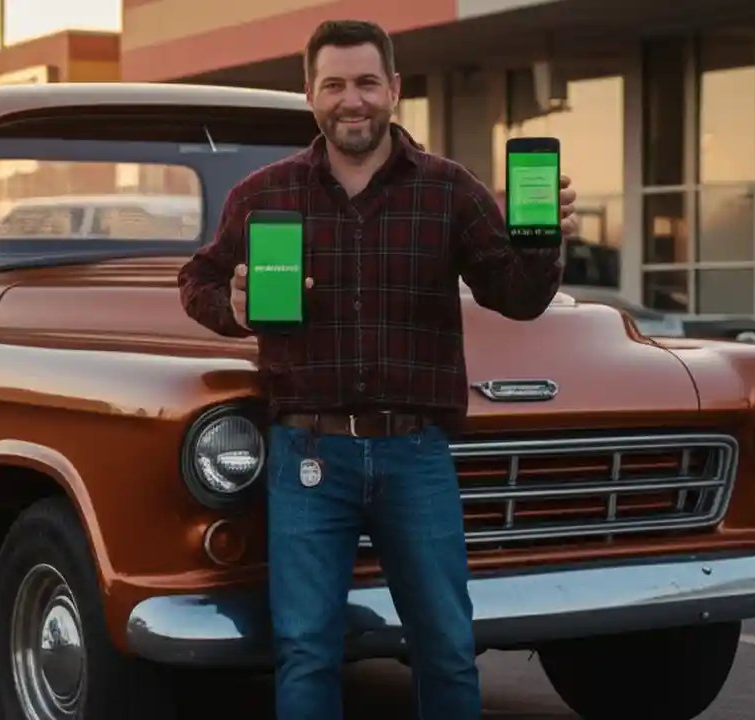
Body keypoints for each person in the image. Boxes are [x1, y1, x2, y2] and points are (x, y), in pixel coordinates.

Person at [177, 18, 579, 720]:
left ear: (393, 89)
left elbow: (517, 297)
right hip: (306, 454)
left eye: (366, 82)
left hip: (415, 453)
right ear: (310, 94)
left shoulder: (451, 191)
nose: (351, 100)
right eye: (334, 84)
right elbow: (196, 280)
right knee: (306, 650)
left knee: (447, 647)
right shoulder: (264, 194)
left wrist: (541, 245)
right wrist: (235, 308)